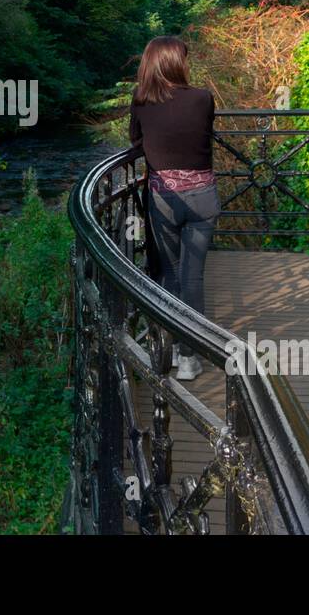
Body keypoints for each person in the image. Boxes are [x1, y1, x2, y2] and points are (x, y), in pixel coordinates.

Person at [127, 36, 219, 381]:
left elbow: (135, 140)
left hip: (164, 198)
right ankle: (190, 356)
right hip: (203, 197)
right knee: (192, 276)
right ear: (177, 63)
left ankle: (165, 347)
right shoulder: (203, 98)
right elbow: (203, 134)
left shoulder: (141, 101)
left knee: (169, 273)